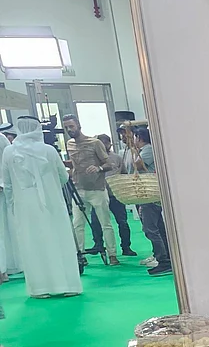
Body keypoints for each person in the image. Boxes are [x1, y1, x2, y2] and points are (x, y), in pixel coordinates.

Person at [0, 116, 82, 298]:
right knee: (59, 240)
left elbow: (8, 183)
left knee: (32, 243)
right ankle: (67, 285)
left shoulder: (9, 152)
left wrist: (13, 204)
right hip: (52, 204)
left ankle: (40, 288)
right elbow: (64, 177)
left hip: (24, 207)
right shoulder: (49, 150)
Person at [62, 114, 118, 264]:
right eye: (66, 127)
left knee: (105, 223)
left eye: (71, 126)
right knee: (77, 224)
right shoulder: (69, 144)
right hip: (78, 190)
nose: (69, 130)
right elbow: (75, 163)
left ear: (78, 125)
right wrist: (63, 164)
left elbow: (109, 164)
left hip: (97, 189)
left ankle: (112, 254)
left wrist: (99, 168)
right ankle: (80, 256)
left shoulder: (95, 143)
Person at [131, 127, 172, 277]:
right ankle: (167, 257)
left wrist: (134, 151)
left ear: (139, 137)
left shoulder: (147, 149)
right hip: (150, 195)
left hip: (148, 194)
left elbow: (137, 164)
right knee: (158, 227)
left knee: (150, 229)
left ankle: (163, 260)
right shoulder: (146, 150)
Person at [96, 133, 136, 258]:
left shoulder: (117, 158)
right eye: (100, 144)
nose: (103, 146)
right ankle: (98, 245)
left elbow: (124, 174)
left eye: (105, 143)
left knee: (122, 222)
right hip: (99, 195)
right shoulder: (94, 159)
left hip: (115, 195)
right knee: (96, 222)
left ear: (110, 144)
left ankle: (126, 247)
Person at [0, 123, 17, 281]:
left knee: (4, 229)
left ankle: (4, 269)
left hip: (2, 191)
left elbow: (8, 165)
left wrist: (4, 184)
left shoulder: (2, 140)